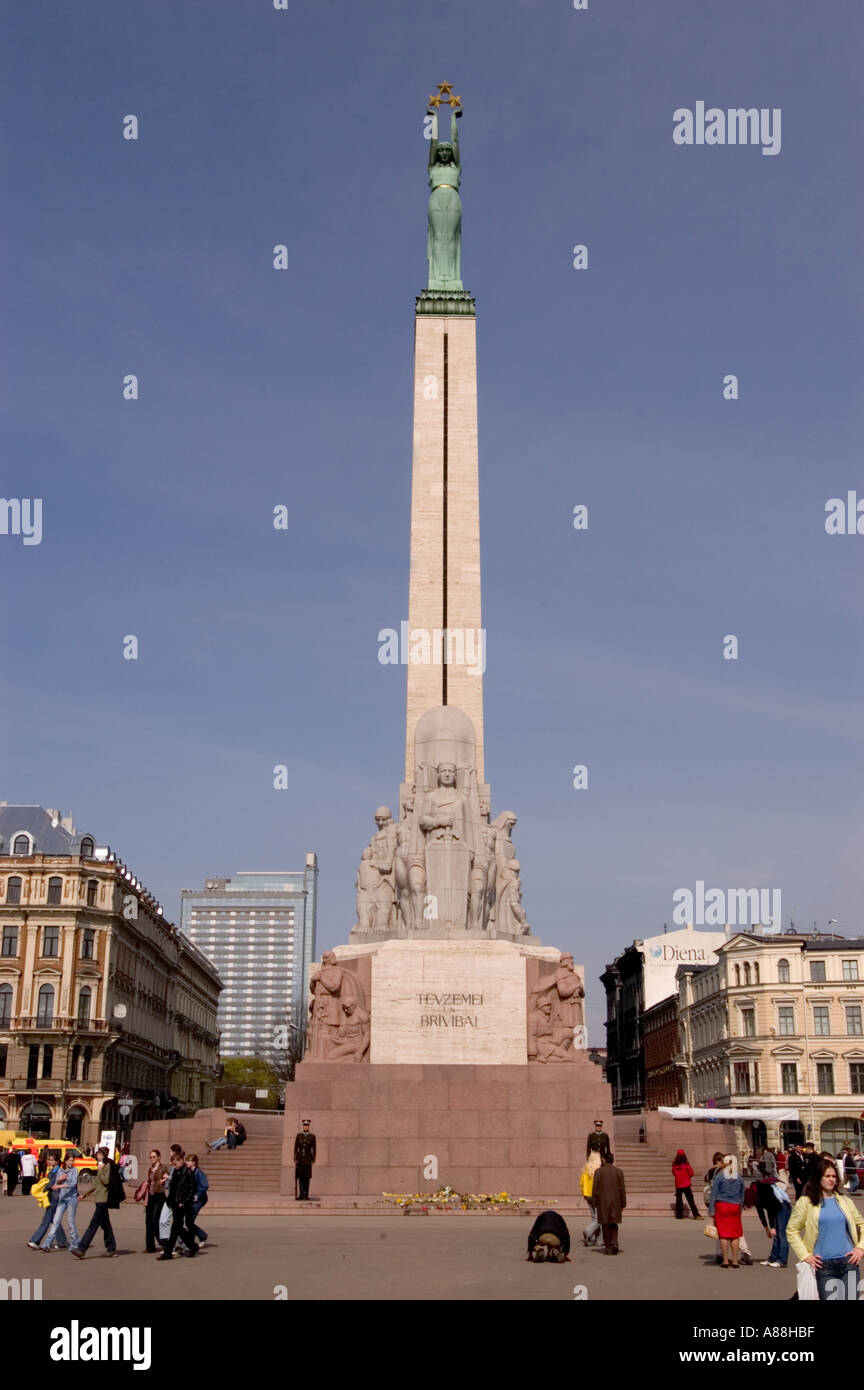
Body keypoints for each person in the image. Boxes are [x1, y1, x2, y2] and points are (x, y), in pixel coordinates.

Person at [787, 1157, 864, 1300]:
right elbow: (792, 1230)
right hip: (823, 1266)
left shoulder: (845, 1201)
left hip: (848, 1263)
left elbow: (862, 1224)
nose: (831, 1180)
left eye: (834, 1176)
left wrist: (860, 1248)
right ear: (818, 1178)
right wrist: (805, 1255)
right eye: (827, 1176)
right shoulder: (806, 1202)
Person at [73, 1147, 123, 1258]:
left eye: (98, 1154)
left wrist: (100, 1170)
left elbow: (106, 1181)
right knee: (106, 1225)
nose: (97, 1156)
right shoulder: (101, 1165)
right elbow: (96, 1183)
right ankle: (111, 1248)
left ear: (102, 1155)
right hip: (99, 1198)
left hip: (103, 1199)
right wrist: (84, 1194)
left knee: (93, 1225)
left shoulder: (107, 1165)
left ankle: (82, 1249)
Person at [158, 1152, 198, 1259]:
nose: (174, 1166)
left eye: (175, 1163)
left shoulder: (188, 1172)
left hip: (182, 1204)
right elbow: (173, 1188)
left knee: (175, 1227)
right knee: (178, 1228)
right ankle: (192, 1246)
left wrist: (184, 1201)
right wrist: (169, 1201)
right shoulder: (176, 1171)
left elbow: (191, 1189)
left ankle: (168, 1252)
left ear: (181, 1161)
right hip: (174, 1203)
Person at [709, 1154, 746, 1269]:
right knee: (735, 1235)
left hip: (722, 1206)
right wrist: (740, 1208)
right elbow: (742, 1195)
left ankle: (725, 1260)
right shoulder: (739, 1178)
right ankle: (735, 1260)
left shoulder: (719, 1177)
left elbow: (713, 1194)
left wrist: (711, 1211)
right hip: (734, 1206)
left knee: (724, 1235)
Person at [28, 1152, 69, 1250]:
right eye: (48, 1159)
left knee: (46, 1221)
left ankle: (35, 1241)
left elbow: (51, 1184)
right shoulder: (54, 1171)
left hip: (54, 1198)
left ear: (57, 1161)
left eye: (51, 1160)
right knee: (54, 1220)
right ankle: (62, 1242)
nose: (49, 1161)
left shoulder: (58, 1171)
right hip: (53, 1197)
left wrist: (41, 1188)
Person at [41, 1155, 80, 1251]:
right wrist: (59, 1180)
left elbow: (72, 1183)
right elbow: (55, 1184)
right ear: (65, 1161)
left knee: (70, 1221)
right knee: (56, 1221)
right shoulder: (60, 1171)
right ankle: (47, 1243)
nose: (71, 1162)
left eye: (72, 1160)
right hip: (62, 1198)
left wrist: (60, 1185)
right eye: (70, 1160)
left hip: (72, 1198)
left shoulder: (74, 1170)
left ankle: (75, 1243)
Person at [592, 1151, 626, 1255]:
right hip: (615, 1202)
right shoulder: (619, 1172)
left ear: (604, 1160)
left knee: (605, 1225)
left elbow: (595, 1189)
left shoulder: (598, 1172)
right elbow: (622, 1189)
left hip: (603, 1202)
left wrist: (594, 1202)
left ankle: (608, 1248)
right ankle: (614, 1243)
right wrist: (623, 1203)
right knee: (614, 1223)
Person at [757, 1173, 792, 1269]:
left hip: (782, 1207)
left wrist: (770, 1227)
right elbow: (768, 1211)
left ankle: (782, 1260)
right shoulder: (763, 1192)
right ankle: (773, 1258)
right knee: (777, 1234)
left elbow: (768, 1211)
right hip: (779, 1207)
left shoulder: (762, 1194)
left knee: (781, 1233)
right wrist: (770, 1227)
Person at [144, 1149, 169, 1254]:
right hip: (151, 1196)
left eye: (154, 1157)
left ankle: (163, 1243)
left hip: (159, 1196)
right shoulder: (150, 1169)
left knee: (155, 1221)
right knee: (148, 1221)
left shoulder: (163, 1168)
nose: (152, 1159)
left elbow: (163, 1182)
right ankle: (150, 1247)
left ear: (159, 1157)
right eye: (151, 1157)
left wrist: (160, 1179)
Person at [186, 1154, 209, 1247]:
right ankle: (195, 1238)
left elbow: (204, 1186)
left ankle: (202, 1236)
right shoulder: (188, 1172)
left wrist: (197, 1195)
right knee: (188, 1221)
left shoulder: (199, 1173)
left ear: (194, 1162)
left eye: (189, 1161)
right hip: (190, 1200)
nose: (187, 1162)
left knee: (189, 1221)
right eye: (186, 1160)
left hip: (198, 1200)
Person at [672, 1149, 701, 1220]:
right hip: (686, 1184)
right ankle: (696, 1215)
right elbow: (692, 1173)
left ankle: (679, 1215)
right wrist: (687, 1177)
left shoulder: (674, 1166)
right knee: (690, 1200)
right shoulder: (686, 1165)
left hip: (678, 1185)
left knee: (679, 1200)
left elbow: (674, 1174)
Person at [580, 1160, 601, 1247]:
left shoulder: (585, 1171)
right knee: (599, 1218)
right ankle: (588, 1232)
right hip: (595, 1196)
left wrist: (584, 1193)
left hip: (587, 1196)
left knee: (594, 1218)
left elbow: (581, 1183)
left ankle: (595, 1239)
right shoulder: (597, 1171)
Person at [294, 1119, 316, 1200]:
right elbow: (296, 1148)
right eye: (304, 1125)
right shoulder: (299, 1135)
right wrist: (295, 1159)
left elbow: (314, 1148)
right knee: (300, 1177)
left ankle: (306, 1194)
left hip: (307, 1160)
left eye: (307, 1125)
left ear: (308, 1126)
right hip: (300, 1160)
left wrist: (313, 1159)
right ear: (303, 1126)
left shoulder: (312, 1136)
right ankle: (301, 1194)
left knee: (307, 1178)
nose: (305, 1127)